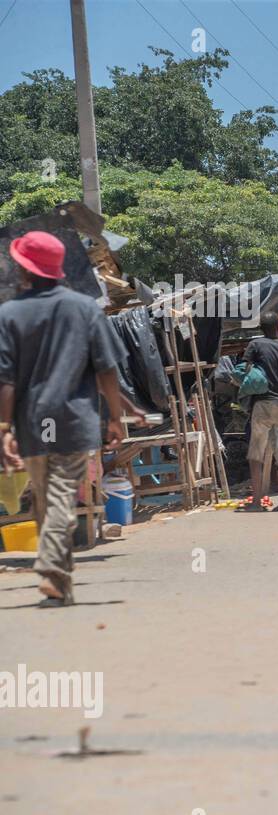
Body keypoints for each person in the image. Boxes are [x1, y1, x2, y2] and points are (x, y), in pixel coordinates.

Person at [0, 231, 133, 606]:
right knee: (55, 497)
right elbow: (107, 369)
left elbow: (5, 379)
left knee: (47, 497)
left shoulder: (9, 313)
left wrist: (4, 428)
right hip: (73, 419)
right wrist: (115, 419)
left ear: (24, 269)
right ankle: (55, 572)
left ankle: (56, 578)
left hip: (31, 421)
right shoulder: (84, 308)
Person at [239, 312, 278, 511]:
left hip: (262, 404)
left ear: (261, 328)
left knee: (256, 456)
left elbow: (245, 372)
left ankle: (257, 502)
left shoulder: (255, 345)